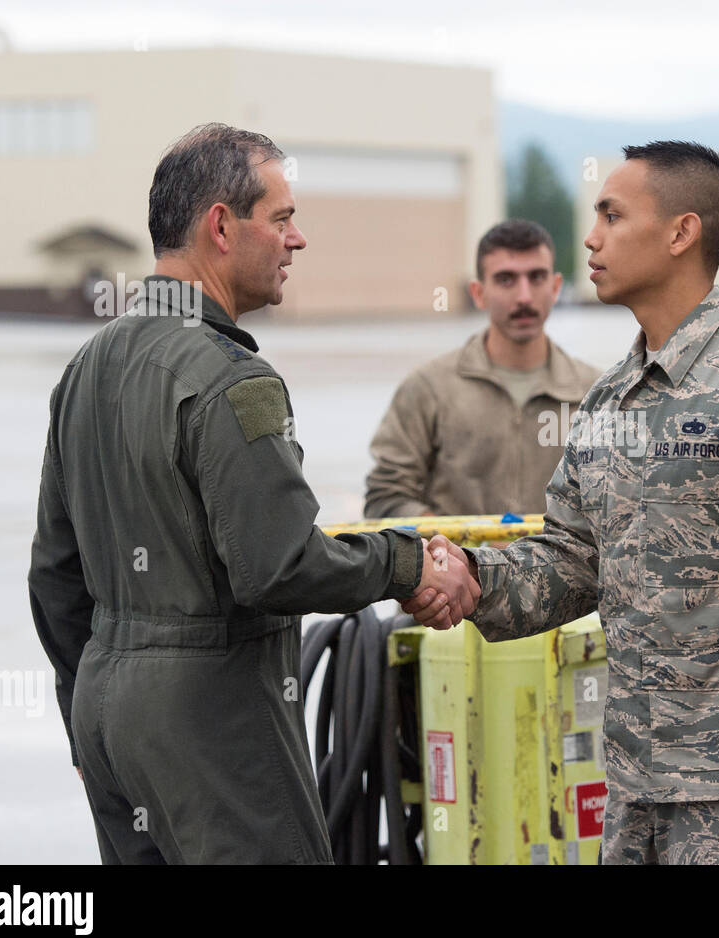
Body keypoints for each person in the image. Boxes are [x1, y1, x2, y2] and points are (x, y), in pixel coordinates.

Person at [406, 141, 719, 864]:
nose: (590, 238)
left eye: (611, 215)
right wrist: (472, 577)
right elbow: (569, 559)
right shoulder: (610, 398)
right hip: (634, 784)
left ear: (681, 232)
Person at [28, 123, 478, 865]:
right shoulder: (231, 377)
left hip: (108, 714)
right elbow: (278, 567)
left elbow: (53, 572)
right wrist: (408, 566)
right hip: (213, 719)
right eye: (282, 218)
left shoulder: (87, 368)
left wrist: (86, 710)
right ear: (220, 226)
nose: (297, 239)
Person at [363, 219, 600, 519]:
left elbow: (618, 504)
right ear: (478, 293)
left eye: (536, 277)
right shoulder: (429, 389)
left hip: (559, 568)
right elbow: (385, 498)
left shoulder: (596, 393)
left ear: (555, 288)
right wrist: (460, 549)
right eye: (506, 279)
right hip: (458, 565)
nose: (524, 296)